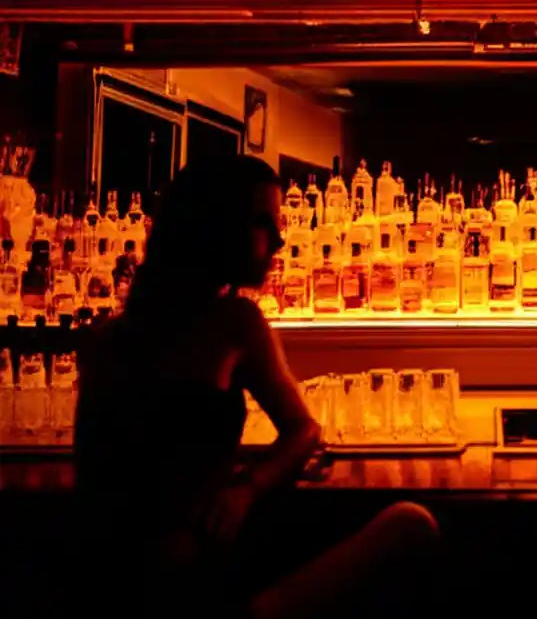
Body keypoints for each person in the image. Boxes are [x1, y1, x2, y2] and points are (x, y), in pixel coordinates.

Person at [74, 156, 439, 618]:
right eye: (264, 223)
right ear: (215, 226)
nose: (282, 241)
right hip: (200, 598)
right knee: (413, 525)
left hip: (119, 591)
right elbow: (305, 431)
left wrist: (240, 489)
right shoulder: (234, 324)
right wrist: (243, 492)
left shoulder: (109, 337)